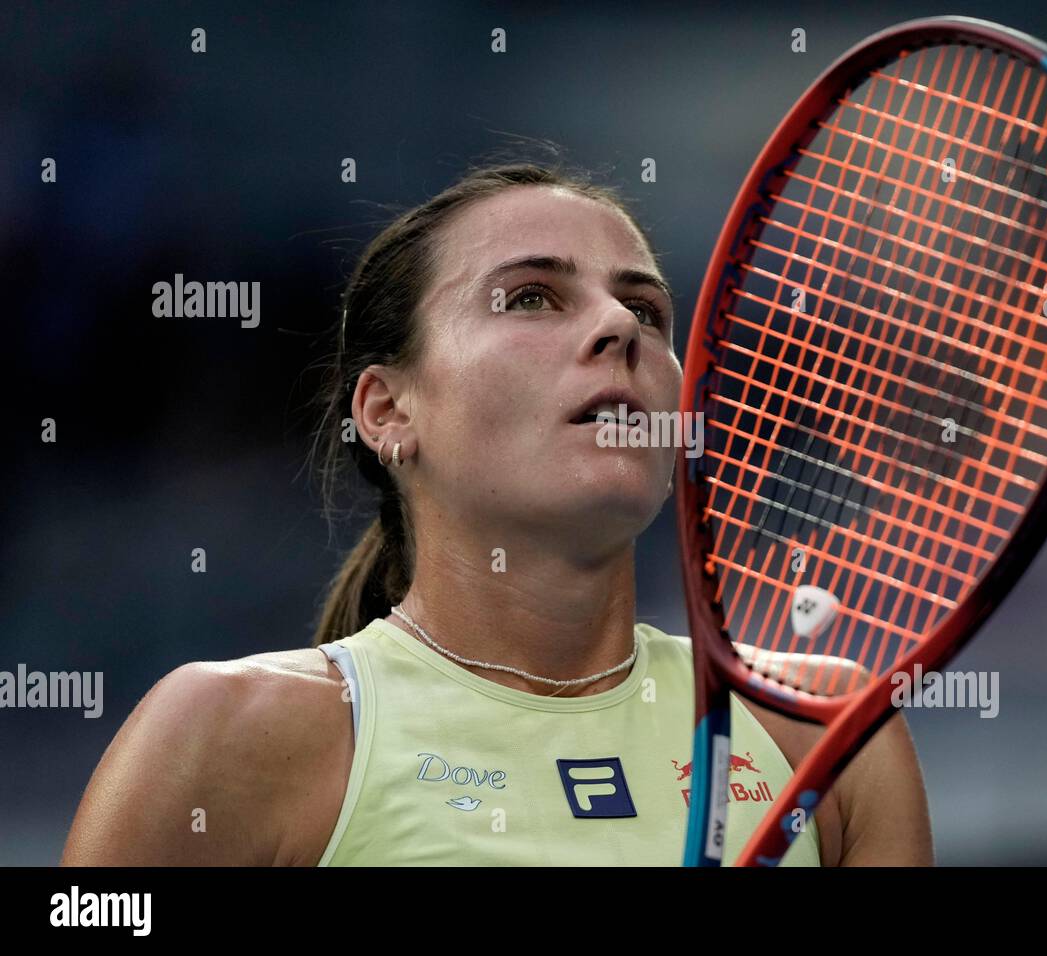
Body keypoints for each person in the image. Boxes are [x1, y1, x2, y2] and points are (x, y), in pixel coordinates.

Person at [61, 159, 934, 866]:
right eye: (530, 296)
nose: (618, 328)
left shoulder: (826, 733)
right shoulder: (225, 734)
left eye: (646, 310)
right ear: (387, 412)